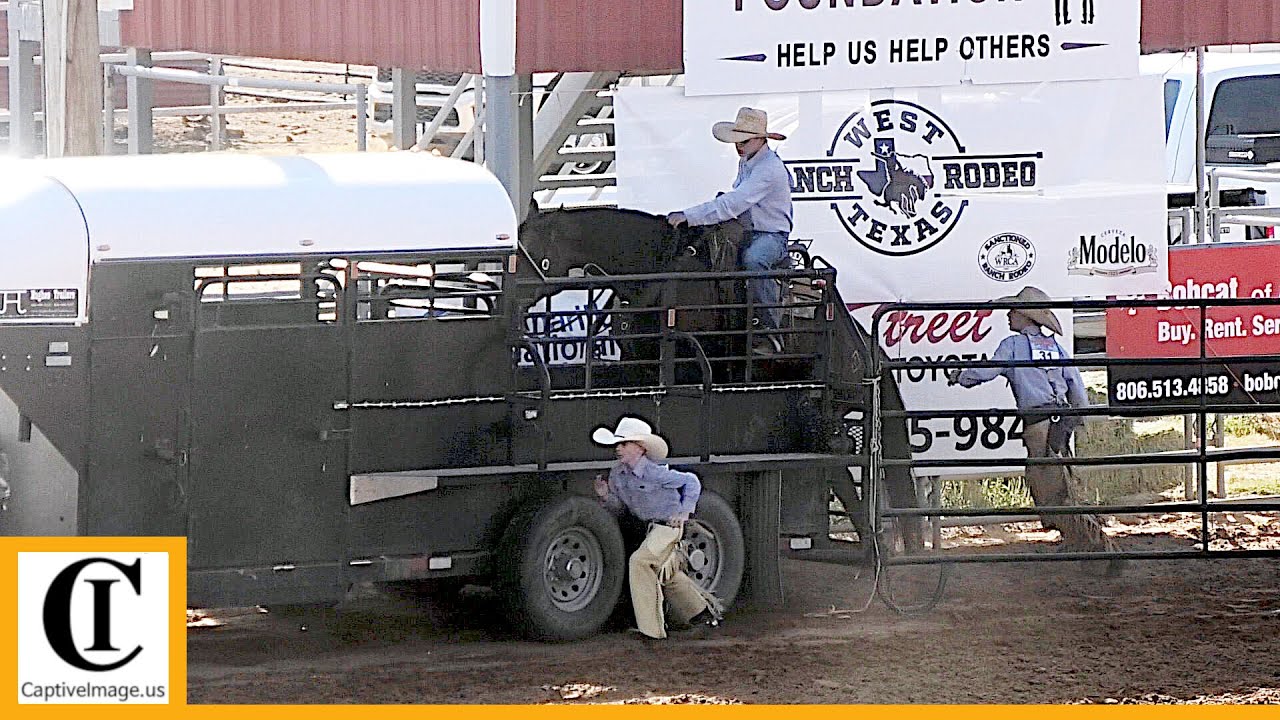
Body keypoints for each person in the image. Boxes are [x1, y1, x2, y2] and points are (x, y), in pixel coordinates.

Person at [945, 286, 1113, 553]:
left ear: (1025, 317)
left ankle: (1095, 544)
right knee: (1059, 480)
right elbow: (1075, 384)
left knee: (1048, 486)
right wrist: (1080, 415)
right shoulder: (1054, 347)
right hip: (1061, 419)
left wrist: (960, 376)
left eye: (1014, 311)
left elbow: (987, 372)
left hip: (1038, 422)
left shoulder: (1012, 346)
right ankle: (1082, 540)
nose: (1009, 315)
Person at [666, 107, 793, 355]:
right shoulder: (749, 162)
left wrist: (689, 216)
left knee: (754, 260)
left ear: (760, 139)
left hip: (771, 236)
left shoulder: (769, 169)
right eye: (737, 141)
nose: (738, 146)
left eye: (744, 141)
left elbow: (733, 204)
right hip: (749, 231)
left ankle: (770, 331)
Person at [592, 416, 723, 639]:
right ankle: (702, 613)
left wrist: (683, 513)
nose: (618, 449)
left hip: (667, 528)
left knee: (640, 562)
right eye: (618, 444)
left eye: (624, 444)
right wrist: (605, 496)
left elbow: (691, 482)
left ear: (640, 448)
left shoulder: (654, 472)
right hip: (648, 529)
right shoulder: (618, 475)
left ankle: (651, 630)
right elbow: (620, 506)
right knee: (665, 573)